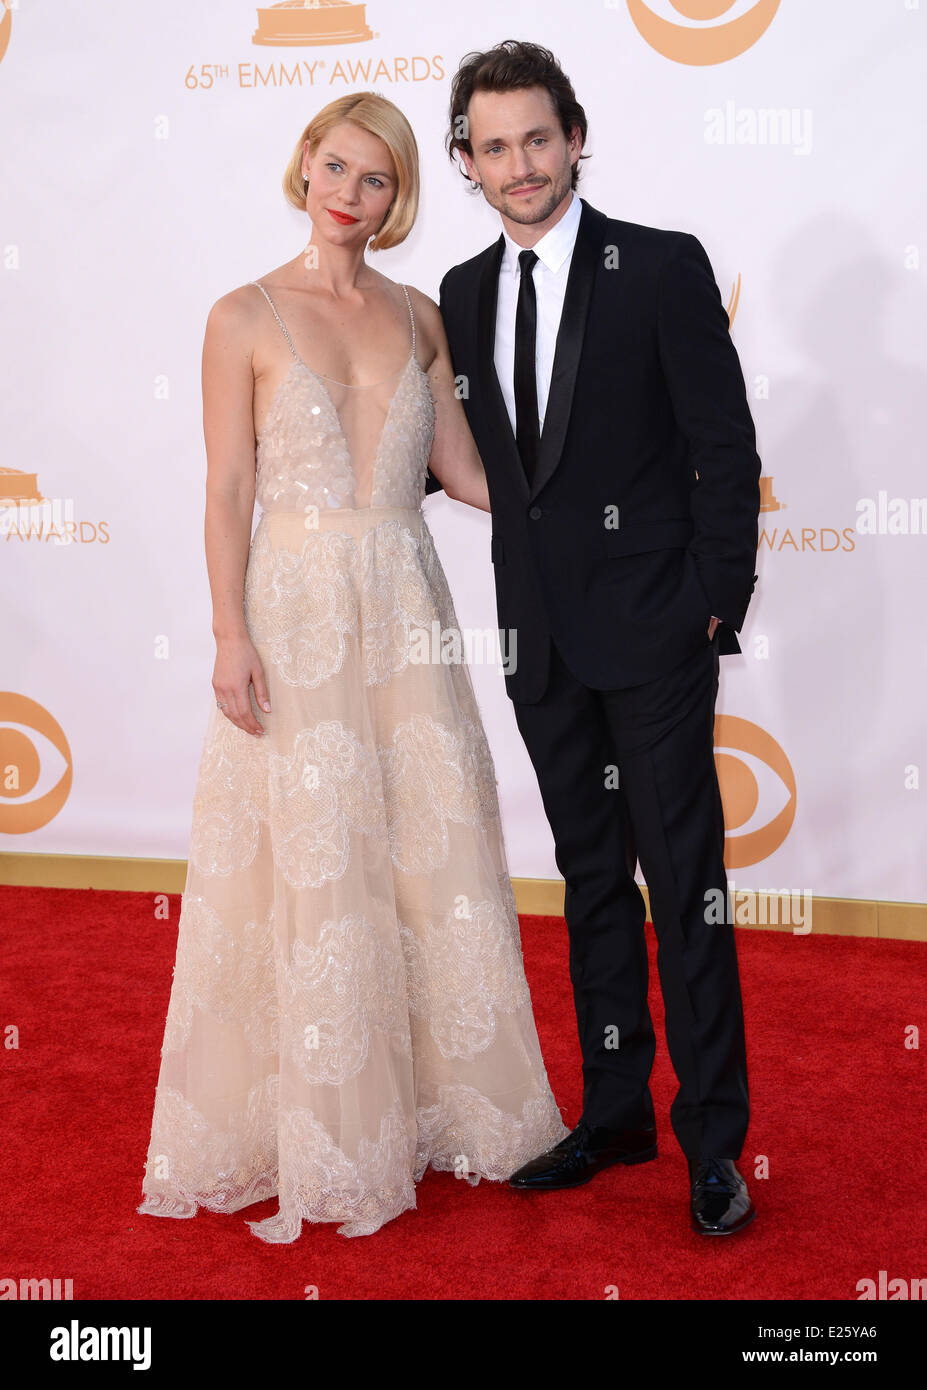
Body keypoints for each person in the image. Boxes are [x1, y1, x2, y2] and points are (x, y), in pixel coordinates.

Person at [136, 91, 568, 1243]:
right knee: (314, 857)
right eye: (336, 165)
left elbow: (470, 474)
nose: (350, 192)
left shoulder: (423, 316)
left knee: (429, 838)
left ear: (401, 197)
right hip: (296, 607)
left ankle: (442, 1106)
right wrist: (229, 632)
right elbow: (229, 489)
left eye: (376, 179)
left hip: (405, 603)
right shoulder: (241, 314)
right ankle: (323, 1126)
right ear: (304, 166)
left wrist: (602, 507)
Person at [425, 40, 761, 1235]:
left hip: (657, 634)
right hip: (542, 640)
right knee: (586, 885)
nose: (520, 163)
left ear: (575, 134)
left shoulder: (660, 267)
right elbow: (472, 463)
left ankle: (713, 1144)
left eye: (537, 136)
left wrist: (714, 602)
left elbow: (726, 447)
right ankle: (615, 1107)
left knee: (687, 890)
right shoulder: (462, 294)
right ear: (467, 161)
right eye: (493, 144)